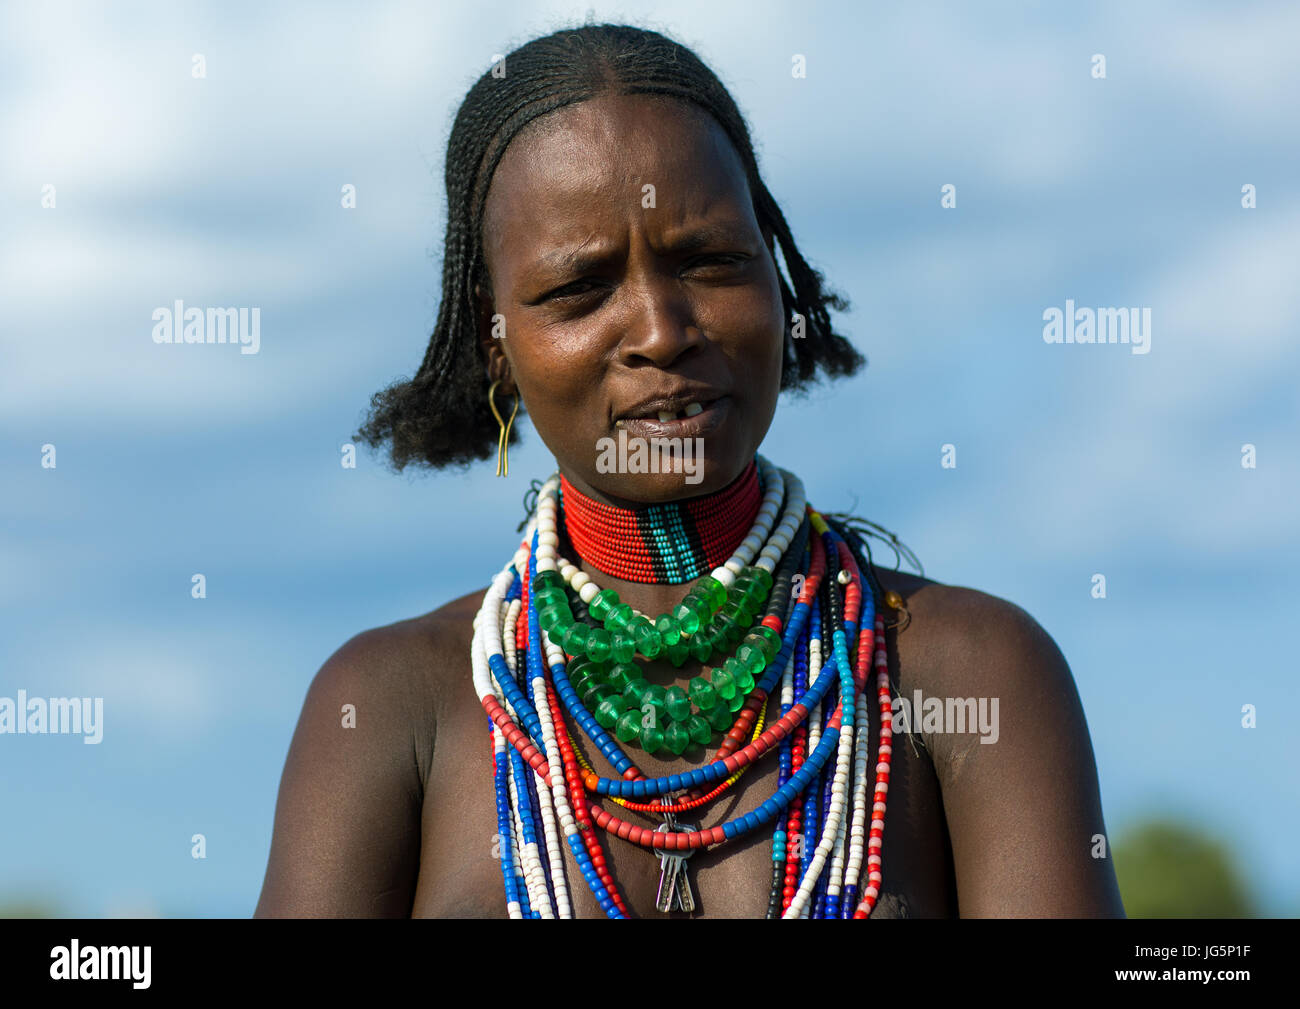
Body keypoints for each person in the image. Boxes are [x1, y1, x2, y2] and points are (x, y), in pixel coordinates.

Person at [254, 23, 1124, 918]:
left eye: (712, 263)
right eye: (579, 289)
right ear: (497, 344)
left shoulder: (968, 674)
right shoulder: (391, 705)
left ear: (778, 282)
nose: (664, 330)